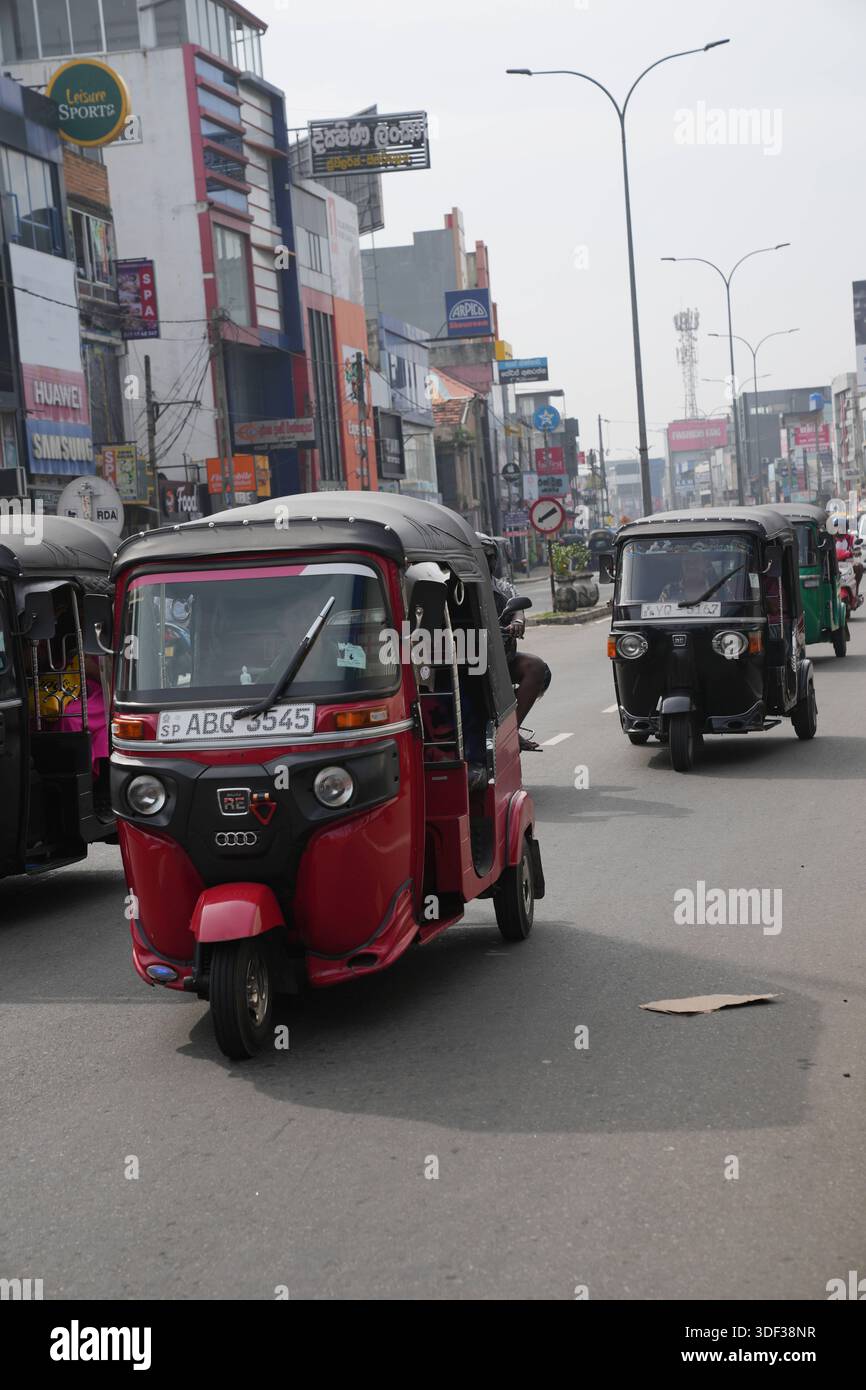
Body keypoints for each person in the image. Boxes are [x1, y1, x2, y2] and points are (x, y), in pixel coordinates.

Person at [478, 534, 551, 752]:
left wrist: (517, 623)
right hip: (465, 657)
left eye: (489, 556)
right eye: (480, 556)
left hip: (500, 659)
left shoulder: (504, 588)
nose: (485, 561)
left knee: (536, 667)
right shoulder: (454, 586)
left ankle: (510, 731)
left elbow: (518, 611)